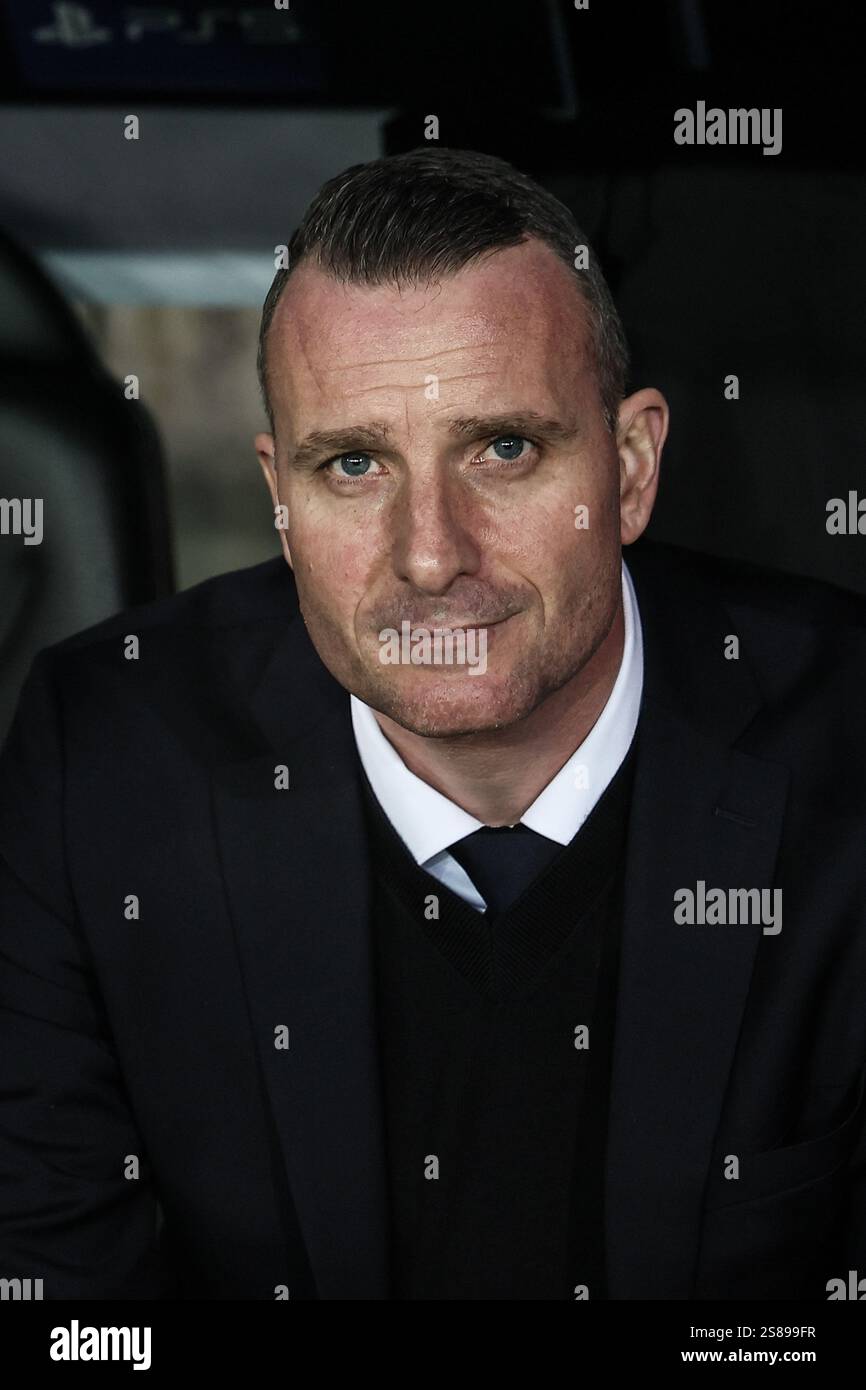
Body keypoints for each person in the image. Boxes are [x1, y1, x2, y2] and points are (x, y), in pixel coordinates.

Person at [1, 147, 864, 1301]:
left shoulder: (848, 753)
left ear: (630, 464)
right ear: (280, 499)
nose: (428, 555)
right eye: (352, 464)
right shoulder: (103, 756)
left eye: (502, 448)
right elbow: (61, 1306)